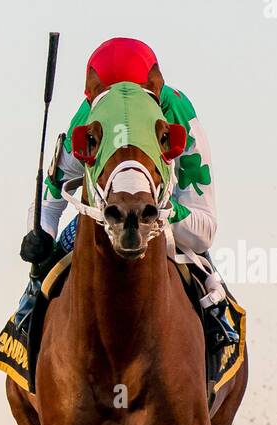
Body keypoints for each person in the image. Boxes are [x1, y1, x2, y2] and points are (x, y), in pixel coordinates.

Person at [18, 36, 240, 349]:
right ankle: (23, 329)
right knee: (43, 273)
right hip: (104, 215)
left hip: (165, 217)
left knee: (201, 266)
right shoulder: (86, 120)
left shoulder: (179, 115)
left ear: (155, 89)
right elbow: (49, 204)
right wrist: (39, 236)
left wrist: (160, 214)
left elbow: (203, 232)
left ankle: (218, 331)